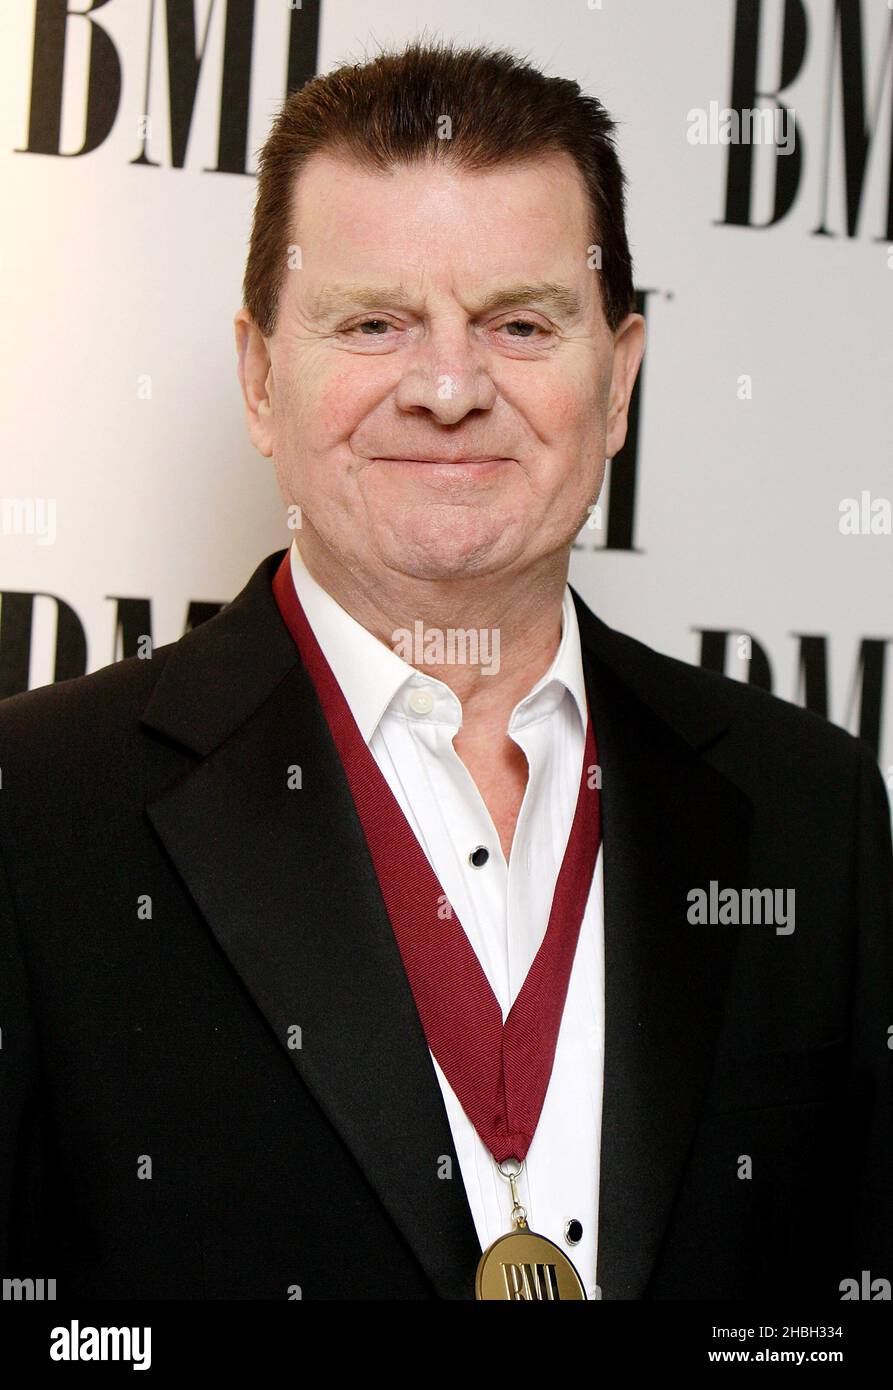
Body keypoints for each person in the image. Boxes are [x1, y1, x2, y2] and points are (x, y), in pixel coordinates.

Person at [0, 40, 890, 1301]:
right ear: (260, 378)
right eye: (374, 323)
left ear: (619, 380)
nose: (449, 387)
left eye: (518, 323)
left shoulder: (813, 807)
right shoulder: (35, 810)